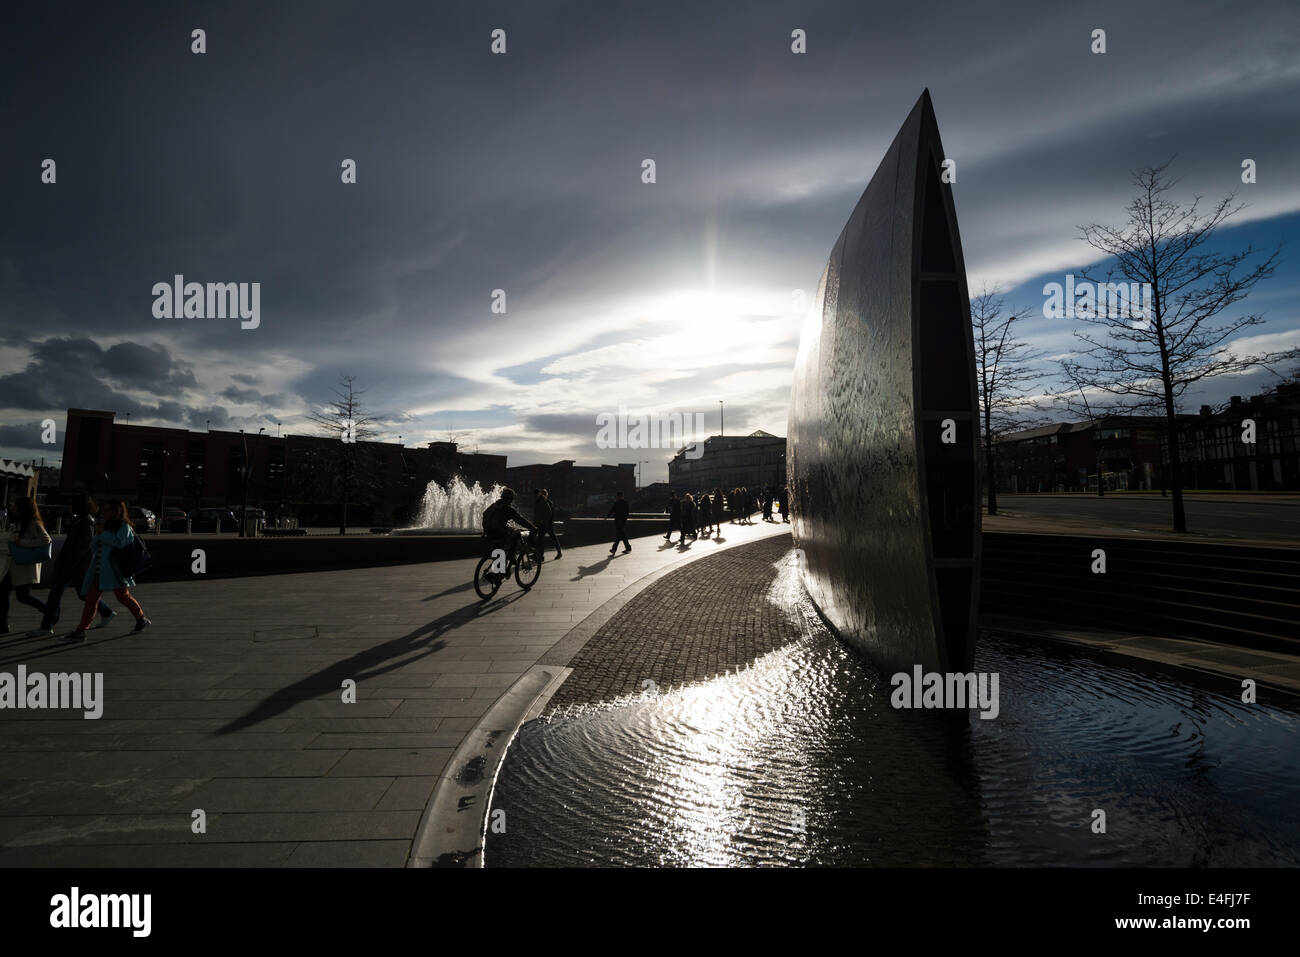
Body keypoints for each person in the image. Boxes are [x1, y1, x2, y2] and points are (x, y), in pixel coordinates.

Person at [63, 500, 151, 643]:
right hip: (100, 569)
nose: (104, 513)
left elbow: (119, 542)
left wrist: (103, 534)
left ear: (117, 511)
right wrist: (98, 535)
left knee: (122, 596)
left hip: (115, 570)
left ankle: (141, 618)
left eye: (108, 510)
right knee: (92, 599)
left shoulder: (124, 527)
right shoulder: (106, 526)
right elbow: (94, 545)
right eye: (104, 510)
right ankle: (81, 630)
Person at [30, 495, 114, 637]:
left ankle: (47, 625)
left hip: (73, 566)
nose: (70, 507)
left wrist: (67, 565)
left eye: (72, 504)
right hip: (75, 566)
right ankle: (106, 611)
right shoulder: (83, 520)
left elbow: (82, 548)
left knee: (56, 594)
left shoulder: (85, 522)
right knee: (82, 593)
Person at [1, 497, 52, 635]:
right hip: (13, 566)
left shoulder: (32, 523)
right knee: (3, 592)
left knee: (22, 596)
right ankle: (2, 624)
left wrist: (22, 543)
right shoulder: (19, 523)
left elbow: (46, 540)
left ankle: (50, 612)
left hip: (24, 567)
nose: (12, 509)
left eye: (15, 506)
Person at [481, 487, 537, 568]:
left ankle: (499, 568)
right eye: (511, 500)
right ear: (509, 499)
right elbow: (521, 520)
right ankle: (511, 556)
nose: (511, 502)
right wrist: (533, 528)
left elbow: (484, 514)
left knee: (501, 551)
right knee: (517, 533)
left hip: (489, 532)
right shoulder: (507, 509)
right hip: (499, 533)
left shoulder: (494, 505)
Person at [532, 488, 562, 560]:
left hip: (547, 524)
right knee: (542, 539)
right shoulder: (543, 501)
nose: (544, 495)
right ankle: (541, 555)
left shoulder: (546, 502)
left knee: (549, 538)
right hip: (544, 524)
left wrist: (546, 521)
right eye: (543, 494)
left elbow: (550, 514)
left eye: (545, 494)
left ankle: (558, 553)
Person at [607, 490, 631, 554]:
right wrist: (624, 520)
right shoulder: (625, 503)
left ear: (617, 496)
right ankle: (628, 548)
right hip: (622, 521)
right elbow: (627, 513)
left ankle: (614, 549)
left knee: (619, 535)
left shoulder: (616, 503)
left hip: (618, 521)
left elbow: (612, 510)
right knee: (621, 535)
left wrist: (607, 516)